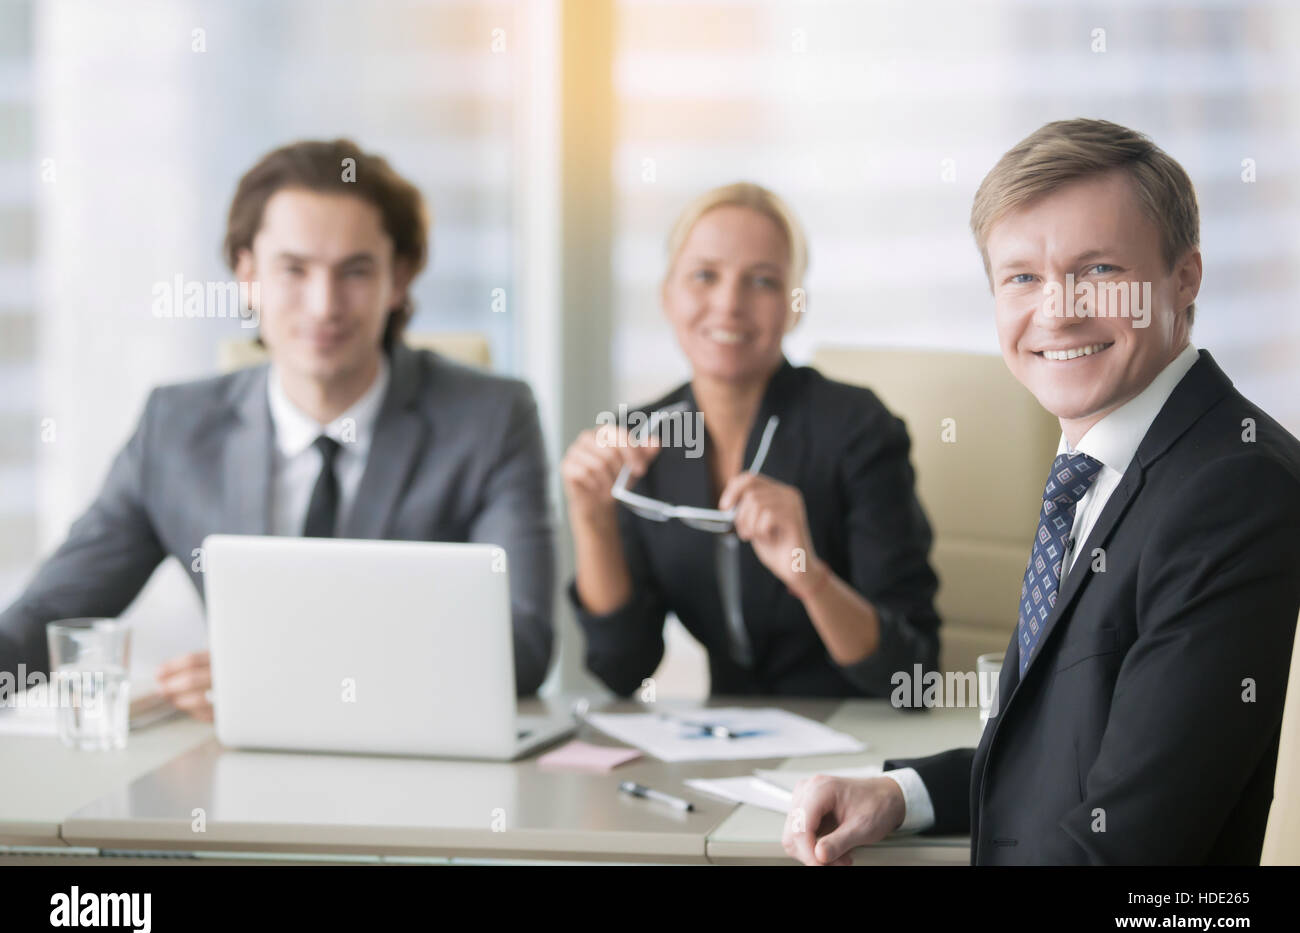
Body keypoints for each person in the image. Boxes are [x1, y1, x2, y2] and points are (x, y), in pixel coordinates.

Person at [783, 118, 1300, 865]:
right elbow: (1073, 758)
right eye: (1022, 277)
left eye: (1098, 271)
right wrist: (903, 794)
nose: (1056, 311)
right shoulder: (1099, 467)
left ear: (1184, 278)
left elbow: (1130, 841)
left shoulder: (1233, 491)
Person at [0, 139, 556, 713]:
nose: (323, 305)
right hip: (233, 777)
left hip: (419, 772)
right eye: (293, 269)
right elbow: (46, 620)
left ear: (401, 278)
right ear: (247, 273)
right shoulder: (175, 429)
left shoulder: (492, 421)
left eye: (355, 271)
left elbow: (524, 648)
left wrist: (287, 678)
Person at [562, 183, 940, 697]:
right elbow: (622, 668)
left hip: (854, 736)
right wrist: (592, 520)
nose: (729, 304)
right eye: (704, 276)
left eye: (762, 281)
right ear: (666, 297)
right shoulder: (641, 441)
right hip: (727, 750)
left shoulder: (858, 429)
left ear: (795, 306)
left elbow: (911, 677)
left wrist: (809, 577)